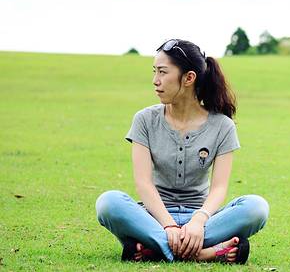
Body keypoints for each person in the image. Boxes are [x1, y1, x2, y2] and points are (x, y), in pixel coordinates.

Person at [95, 39, 268, 264]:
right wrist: (167, 225)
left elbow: (219, 188)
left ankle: (154, 249)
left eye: (163, 72)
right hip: (154, 217)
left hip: (203, 219)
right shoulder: (145, 120)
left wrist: (198, 221)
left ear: (188, 78)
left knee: (256, 207)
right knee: (108, 203)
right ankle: (205, 253)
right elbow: (144, 184)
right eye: (154, 72)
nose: (155, 81)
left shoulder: (222, 126)